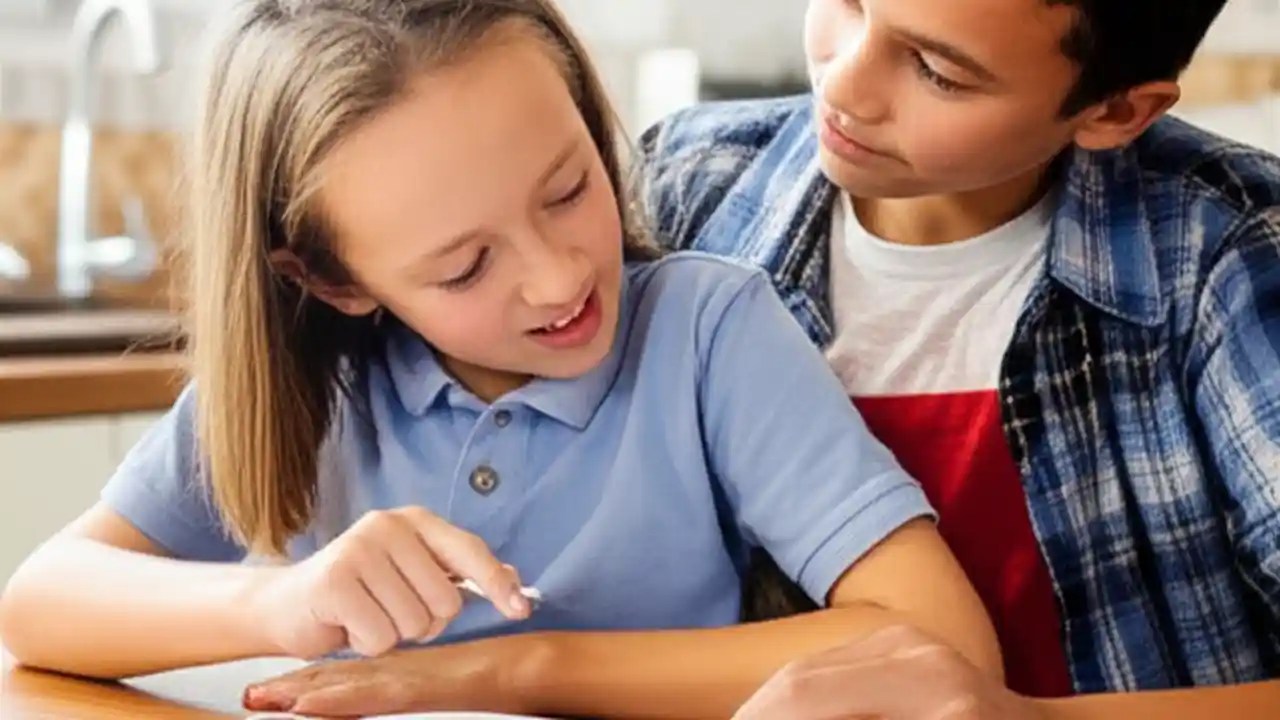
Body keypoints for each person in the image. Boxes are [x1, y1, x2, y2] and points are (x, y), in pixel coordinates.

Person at [0, 1, 1002, 718]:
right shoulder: (320, 380)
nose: (558, 277)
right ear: (334, 282)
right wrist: (281, 601)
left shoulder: (706, 332)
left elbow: (939, 647)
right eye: (465, 266)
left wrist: (508, 670)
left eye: (569, 189)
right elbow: (41, 605)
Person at [637, 0, 1280, 716]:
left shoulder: (1231, 253)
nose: (845, 87)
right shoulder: (681, 190)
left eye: (937, 72)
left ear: (1117, 110)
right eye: (849, 4)